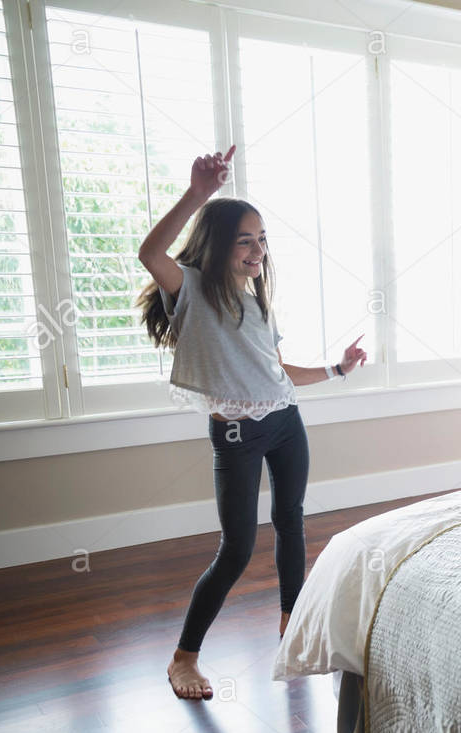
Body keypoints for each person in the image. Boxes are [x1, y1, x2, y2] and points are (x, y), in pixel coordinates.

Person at [137, 145, 367, 701]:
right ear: (218, 245)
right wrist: (198, 194)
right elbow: (150, 252)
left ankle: (292, 625)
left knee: (291, 521)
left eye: (262, 238)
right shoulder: (190, 290)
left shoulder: (255, 302)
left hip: (285, 421)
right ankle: (183, 658)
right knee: (237, 549)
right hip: (236, 434)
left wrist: (338, 368)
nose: (258, 249)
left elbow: (278, 372)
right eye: (246, 239)